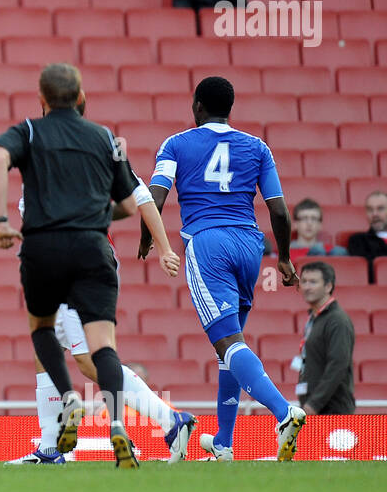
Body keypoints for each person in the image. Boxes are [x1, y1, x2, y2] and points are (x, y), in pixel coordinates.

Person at [0, 64, 179, 468]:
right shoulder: (104, 139)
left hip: (47, 251)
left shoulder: (30, 134)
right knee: (76, 349)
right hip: (92, 252)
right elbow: (134, 201)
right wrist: (100, 220)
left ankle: (169, 419)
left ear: (41, 98)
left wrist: (0, 221)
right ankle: (53, 445)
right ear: (79, 97)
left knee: (74, 353)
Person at [143, 75, 306, 463]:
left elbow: (156, 195)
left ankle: (284, 413)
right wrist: (283, 258)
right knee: (230, 347)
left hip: (207, 242)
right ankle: (224, 443)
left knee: (228, 344)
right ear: (229, 109)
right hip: (251, 246)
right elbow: (279, 210)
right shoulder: (257, 147)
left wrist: (148, 236)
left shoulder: (176, 144)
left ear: (197, 106)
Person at [294, 262, 355, 416]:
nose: (307, 287)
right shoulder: (314, 318)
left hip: (333, 410)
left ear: (328, 286)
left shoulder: (337, 320)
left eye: (313, 282)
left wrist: (314, 404)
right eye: (304, 281)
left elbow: (338, 365)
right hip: (316, 407)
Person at [289, 197, 348, 265]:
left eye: (314, 218)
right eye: (304, 218)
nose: (309, 223)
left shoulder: (331, 251)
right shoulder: (286, 255)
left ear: (320, 225)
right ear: (295, 224)